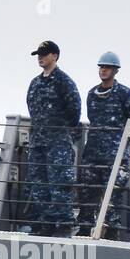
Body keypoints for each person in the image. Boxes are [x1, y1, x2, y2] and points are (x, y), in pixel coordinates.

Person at [76, 51, 130, 237]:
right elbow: (91, 118)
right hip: (93, 151)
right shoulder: (92, 94)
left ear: (115, 70)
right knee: (87, 190)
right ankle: (84, 226)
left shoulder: (124, 94)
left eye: (107, 67)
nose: (103, 70)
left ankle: (112, 230)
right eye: (101, 67)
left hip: (115, 153)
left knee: (112, 194)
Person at [24, 40, 81, 236]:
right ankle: (45, 224)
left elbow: (74, 112)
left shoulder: (64, 82)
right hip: (38, 142)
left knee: (59, 184)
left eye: (45, 53)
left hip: (58, 144)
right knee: (39, 185)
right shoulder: (35, 83)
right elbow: (32, 108)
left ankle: (64, 225)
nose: (40, 57)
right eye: (38, 54)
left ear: (55, 56)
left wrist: (59, 130)